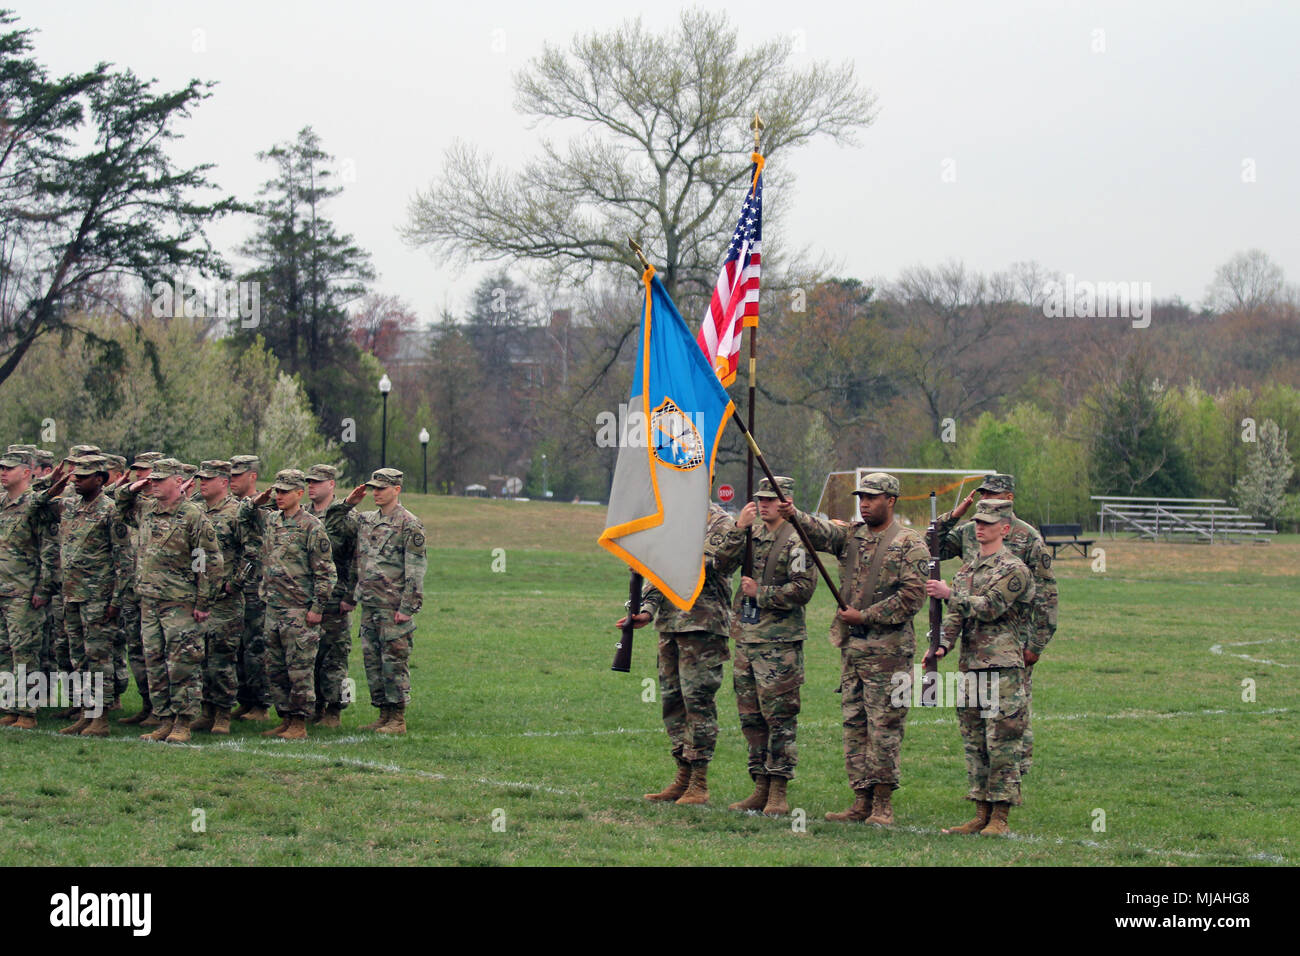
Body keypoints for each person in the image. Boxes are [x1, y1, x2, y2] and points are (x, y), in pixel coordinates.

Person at [777, 472, 928, 826]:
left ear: (891, 501)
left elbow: (912, 597)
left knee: (884, 727)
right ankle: (861, 799)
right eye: (861, 497)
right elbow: (820, 532)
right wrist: (795, 515)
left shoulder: (910, 543)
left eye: (872, 497)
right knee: (855, 725)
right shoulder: (851, 536)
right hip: (853, 650)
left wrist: (865, 616)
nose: (865, 503)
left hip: (889, 653)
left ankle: (883, 804)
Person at [616, 502, 740, 805]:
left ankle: (699, 782)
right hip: (670, 624)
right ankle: (682, 776)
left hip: (702, 625)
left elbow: (711, 563)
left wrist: (656, 559)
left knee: (698, 702)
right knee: (673, 702)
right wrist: (647, 609)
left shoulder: (720, 522)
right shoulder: (672, 519)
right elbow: (660, 576)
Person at [925, 498, 1035, 837]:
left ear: (1005, 529)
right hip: (971, 666)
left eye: (988, 522)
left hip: (1002, 668)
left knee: (1002, 743)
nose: (980, 527)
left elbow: (989, 607)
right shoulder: (968, 568)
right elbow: (956, 616)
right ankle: (980, 812)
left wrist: (948, 594)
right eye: (977, 522)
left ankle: (1000, 816)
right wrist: (943, 644)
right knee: (975, 743)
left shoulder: (1014, 569)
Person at [936, 473, 1057, 775]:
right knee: (975, 714)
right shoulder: (969, 530)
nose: (986, 499)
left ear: (1009, 499)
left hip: (1011, 639)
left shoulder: (1028, 537)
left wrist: (1036, 644)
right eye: (983, 494)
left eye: (993, 494)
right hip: (974, 638)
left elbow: (1046, 595)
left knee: (1011, 710)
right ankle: (985, 781)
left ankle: (1015, 771)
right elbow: (931, 546)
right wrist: (953, 516)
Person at [716, 477, 815, 817]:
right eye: (760, 499)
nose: (764, 504)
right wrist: (738, 530)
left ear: (786, 501)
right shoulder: (751, 534)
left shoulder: (798, 540)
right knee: (751, 718)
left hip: (779, 643)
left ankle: (778, 789)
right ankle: (759, 785)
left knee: (780, 718)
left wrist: (762, 593)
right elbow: (721, 565)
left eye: (771, 499)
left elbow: (803, 589)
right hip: (746, 639)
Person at [116, 458, 223, 743]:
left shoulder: (193, 516)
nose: (154, 485)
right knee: (155, 663)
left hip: (180, 603)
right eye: (152, 480)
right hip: (149, 601)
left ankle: (183, 722)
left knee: (182, 664)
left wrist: (203, 602)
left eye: (160, 480)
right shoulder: (147, 510)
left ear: (178, 481)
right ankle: (164, 719)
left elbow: (208, 562)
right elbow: (120, 504)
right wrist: (134, 486)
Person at [36, 456, 131, 736]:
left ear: (100, 479)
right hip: (71, 594)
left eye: (83, 476)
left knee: (98, 658)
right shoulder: (69, 505)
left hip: (98, 597)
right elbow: (36, 505)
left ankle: (100, 718)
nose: (76, 480)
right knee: (78, 657)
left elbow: (124, 559)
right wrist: (53, 483)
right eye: (75, 476)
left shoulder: (111, 510)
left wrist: (116, 600)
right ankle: (85, 713)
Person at [238, 469, 335, 740]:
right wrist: (260, 499)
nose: (279, 496)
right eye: (276, 491)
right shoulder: (271, 520)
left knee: (299, 670)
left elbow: (326, 572)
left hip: (298, 611)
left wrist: (317, 608)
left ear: (299, 494)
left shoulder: (312, 526)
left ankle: (300, 722)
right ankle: (285, 718)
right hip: (273, 608)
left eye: (284, 492)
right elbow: (243, 516)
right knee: (276, 669)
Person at [340, 469, 426, 735]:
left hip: (392, 606)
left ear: (396, 490)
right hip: (370, 603)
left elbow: (415, 569)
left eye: (381, 488)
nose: (375, 492)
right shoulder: (366, 520)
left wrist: (407, 606)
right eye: (373, 488)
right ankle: (383, 714)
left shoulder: (409, 523)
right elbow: (335, 525)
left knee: (394, 662)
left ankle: (397, 718)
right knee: (373, 663)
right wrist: (348, 503)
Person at [0, 447, 55, 729]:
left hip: (23, 591)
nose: (2, 473)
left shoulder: (35, 505)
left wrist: (43, 589)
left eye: (8, 468)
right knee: (4, 652)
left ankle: (28, 711)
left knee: (25, 653)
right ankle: (9, 706)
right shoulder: (2, 503)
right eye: (1, 468)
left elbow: (49, 550)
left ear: (26, 472)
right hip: (2, 589)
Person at [192, 460, 245, 735]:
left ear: (223, 482)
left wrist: (234, 584)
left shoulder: (237, 513)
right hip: (198, 596)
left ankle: (223, 713)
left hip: (225, 601)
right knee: (200, 657)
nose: (202, 483)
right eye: (200, 478)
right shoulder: (195, 511)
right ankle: (206, 710)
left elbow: (253, 552)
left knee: (221, 659)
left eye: (208, 479)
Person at [306, 464, 358, 728]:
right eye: (309, 482)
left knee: (336, 656)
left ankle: (336, 710)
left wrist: (351, 595)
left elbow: (357, 558)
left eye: (317, 482)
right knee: (311, 657)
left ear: (331, 484)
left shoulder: (347, 517)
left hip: (337, 599)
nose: (311, 486)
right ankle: (315, 705)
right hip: (308, 597)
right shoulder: (304, 514)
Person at [228, 454, 271, 722]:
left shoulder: (262, 507)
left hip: (254, 587)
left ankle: (261, 704)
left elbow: (257, 549)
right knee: (237, 647)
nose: (232, 480)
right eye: (230, 475)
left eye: (237, 475)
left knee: (256, 646)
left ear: (252, 476)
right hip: (233, 588)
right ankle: (244, 699)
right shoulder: (229, 506)